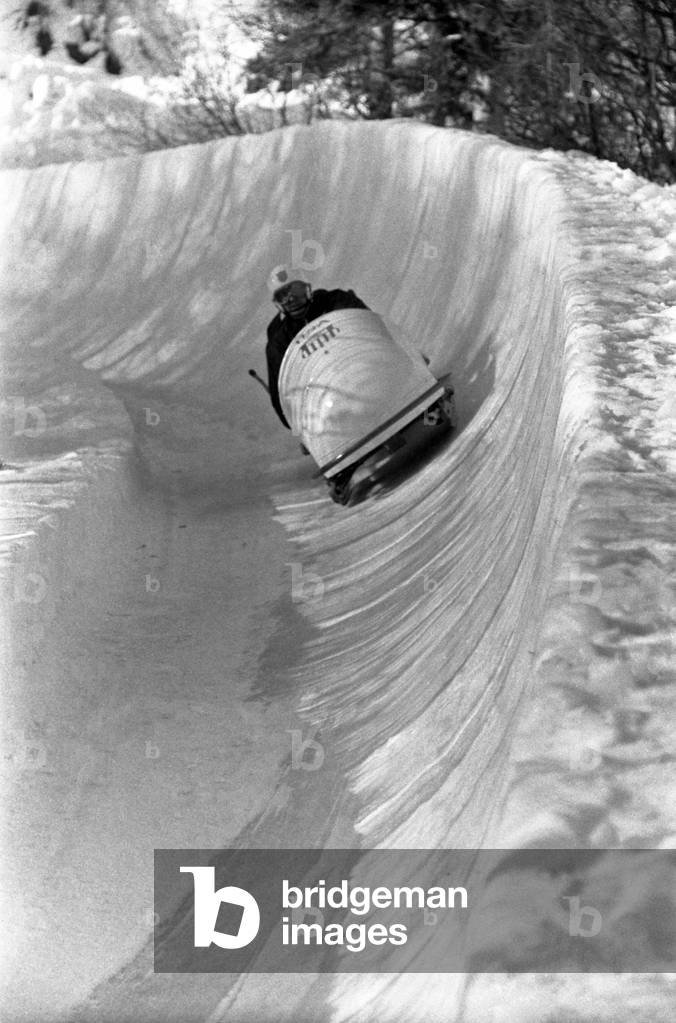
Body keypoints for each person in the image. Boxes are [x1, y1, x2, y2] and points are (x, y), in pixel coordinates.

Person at [265, 265, 368, 428]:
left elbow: (370, 327)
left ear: (307, 289)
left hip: (366, 376)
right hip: (330, 411)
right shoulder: (280, 340)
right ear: (278, 304)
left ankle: (424, 412)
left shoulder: (336, 301)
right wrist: (299, 426)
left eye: (295, 291)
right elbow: (281, 393)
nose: (290, 299)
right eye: (283, 296)